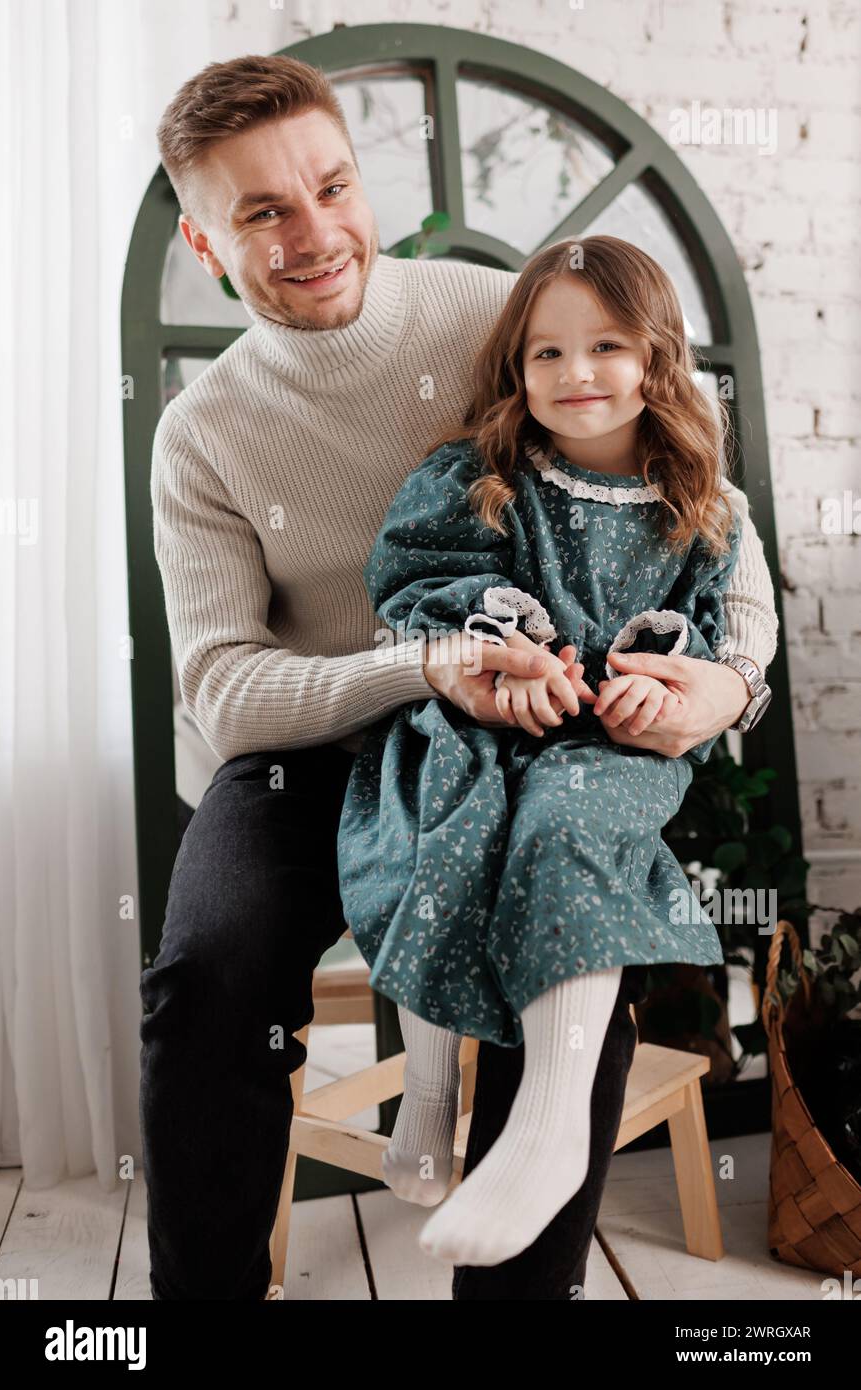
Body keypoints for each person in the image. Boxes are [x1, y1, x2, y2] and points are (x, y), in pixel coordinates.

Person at [140, 53, 778, 1300]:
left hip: (527, 725)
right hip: (307, 746)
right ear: (207, 246)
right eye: (262, 211)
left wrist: (730, 684)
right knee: (209, 974)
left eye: (329, 185)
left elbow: (704, 495)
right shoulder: (200, 432)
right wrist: (424, 666)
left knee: (566, 916)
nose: (315, 232)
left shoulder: (486, 315)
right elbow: (222, 687)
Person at [337, 234, 743, 1269]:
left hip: (614, 740)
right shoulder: (482, 476)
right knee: (449, 816)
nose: (575, 375)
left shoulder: (696, 501)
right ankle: (427, 1103)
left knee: (566, 829)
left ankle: (552, 1127)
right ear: (514, 368)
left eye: (605, 345)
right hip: (489, 716)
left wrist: (659, 674)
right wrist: (502, 642)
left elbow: (716, 637)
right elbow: (418, 586)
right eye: (545, 353)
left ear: (656, 358)